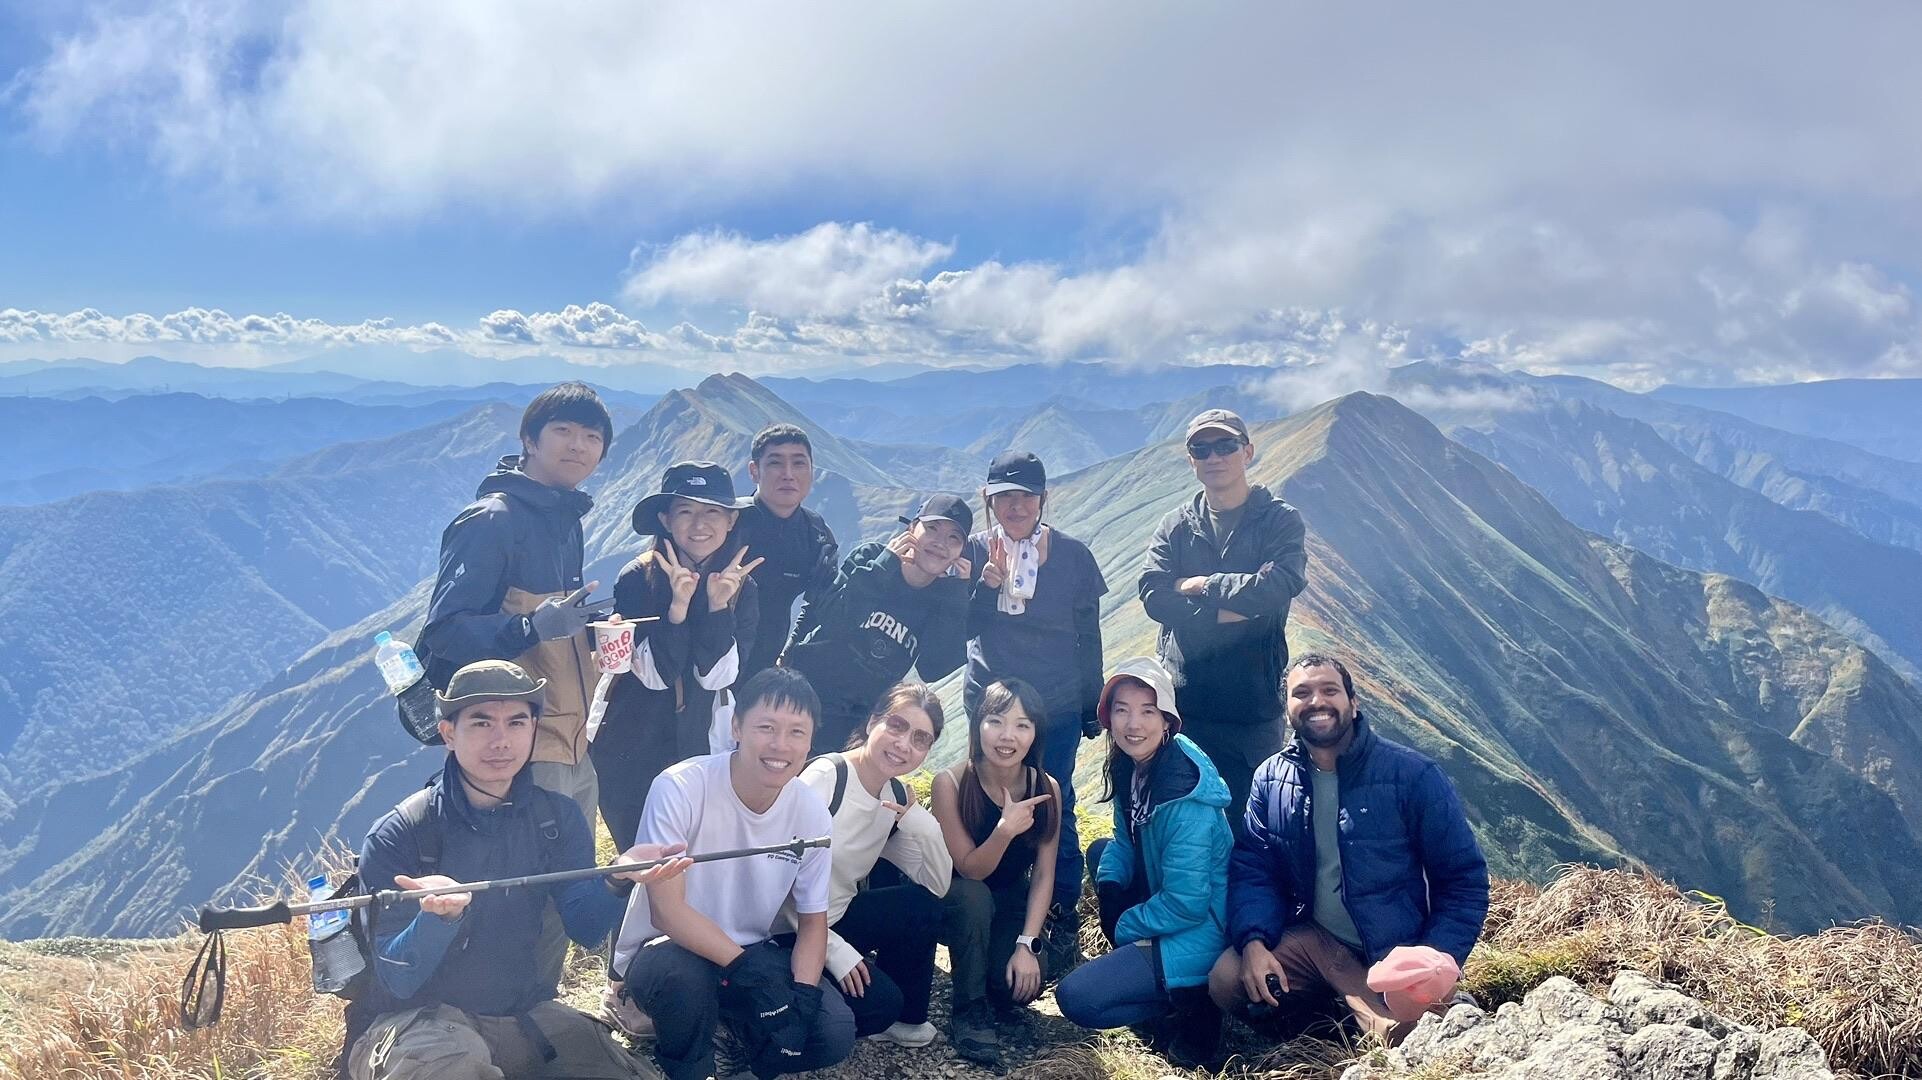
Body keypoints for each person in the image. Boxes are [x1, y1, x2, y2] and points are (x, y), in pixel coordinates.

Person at [347, 660, 693, 1080]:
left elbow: (585, 927)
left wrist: (618, 877)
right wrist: (437, 919)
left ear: (534, 730)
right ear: (448, 733)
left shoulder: (556, 818)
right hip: (413, 1024)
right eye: (481, 723)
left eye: (516, 722)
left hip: (517, 1016)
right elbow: (396, 979)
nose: (501, 740)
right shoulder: (402, 832)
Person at [419, 381, 616, 990]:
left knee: (563, 891)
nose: (578, 446)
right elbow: (443, 634)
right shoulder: (492, 521)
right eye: (563, 431)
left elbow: (548, 633)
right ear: (529, 439)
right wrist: (531, 626)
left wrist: (588, 634)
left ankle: (538, 1007)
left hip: (573, 741)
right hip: (523, 749)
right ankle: (502, 1013)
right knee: (522, 897)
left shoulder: (564, 519)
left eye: (592, 437)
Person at [1209, 655, 1489, 1045]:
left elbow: (1463, 880)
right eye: (1301, 693)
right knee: (1227, 978)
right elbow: (1256, 869)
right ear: (1287, 709)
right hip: (1315, 940)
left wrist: (1436, 956)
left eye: (1330, 690)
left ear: (1353, 703)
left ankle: (1415, 1008)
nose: (1316, 701)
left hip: (1397, 950)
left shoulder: (1412, 775)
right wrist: (1253, 941)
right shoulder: (1271, 779)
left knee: (1407, 1040)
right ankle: (1332, 1025)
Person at [612, 667, 856, 1080]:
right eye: (766, 727)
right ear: (736, 726)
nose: (780, 745)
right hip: (668, 949)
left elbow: (814, 921)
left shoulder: (811, 812)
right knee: (682, 980)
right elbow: (666, 913)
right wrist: (749, 972)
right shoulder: (681, 787)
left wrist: (802, 998)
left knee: (831, 1031)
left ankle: (733, 1047)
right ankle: (687, 1067)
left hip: (750, 950)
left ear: (811, 741)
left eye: (796, 732)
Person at [961, 450, 1107, 973]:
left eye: (1026, 495)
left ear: (1044, 498)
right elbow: (959, 628)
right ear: (989, 499)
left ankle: (1059, 919)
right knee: (983, 797)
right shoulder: (973, 552)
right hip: (991, 704)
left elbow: (1088, 634)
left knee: (1053, 804)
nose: (1016, 506)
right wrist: (986, 587)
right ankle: (985, 906)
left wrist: (1092, 705)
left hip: (1056, 706)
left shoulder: (1073, 556)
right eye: (1005, 496)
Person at [1137, 408, 1308, 839]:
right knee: (1185, 831)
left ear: (1247, 452)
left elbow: (1280, 586)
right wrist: (1233, 607)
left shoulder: (1279, 520)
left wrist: (1200, 585)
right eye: (1201, 449)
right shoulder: (1176, 526)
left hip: (1252, 713)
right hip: (1185, 711)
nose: (1214, 457)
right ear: (1190, 460)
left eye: (1225, 445)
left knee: (1254, 833)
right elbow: (1155, 596)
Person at [1056, 656, 1231, 1068]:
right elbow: (1123, 839)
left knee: (1077, 998)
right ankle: (1153, 981)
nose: (1133, 724)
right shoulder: (1135, 765)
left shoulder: (1184, 799)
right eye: (1122, 710)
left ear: (1167, 720)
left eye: (1148, 711)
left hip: (1204, 925)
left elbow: (1187, 903)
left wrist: (1123, 924)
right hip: (1168, 895)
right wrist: (1111, 891)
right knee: (1101, 853)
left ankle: (1192, 1002)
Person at [591, 461, 763, 854]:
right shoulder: (638, 578)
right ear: (666, 520)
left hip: (701, 741)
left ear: (731, 520)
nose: (699, 524)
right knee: (640, 855)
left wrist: (718, 608)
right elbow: (656, 675)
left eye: (712, 511)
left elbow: (718, 677)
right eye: (686, 511)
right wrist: (678, 609)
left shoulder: (742, 587)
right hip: (631, 742)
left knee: (695, 853)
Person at [778, 683, 952, 1048]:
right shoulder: (828, 778)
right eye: (896, 725)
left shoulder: (895, 797)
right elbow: (778, 875)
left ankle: (903, 1020)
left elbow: (936, 886)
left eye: (920, 738)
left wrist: (924, 825)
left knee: (919, 906)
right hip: (785, 931)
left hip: (836, 919)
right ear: (873, 721)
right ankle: (763, 1017)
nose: (903, 744)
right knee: (878, 1005)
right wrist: (834, 951)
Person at [930, 677, 1060, 1067]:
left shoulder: (1046, 788)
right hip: (956, 900)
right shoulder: (950, 784)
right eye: (996, 722)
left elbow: (1044, 874)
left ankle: (989, 981)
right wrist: (1004, 830)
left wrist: (1027, 944)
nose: (1007, 736)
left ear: (1035, 733)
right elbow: (970, 870)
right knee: (974, 895)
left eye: (1022, 725)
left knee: (1019, 986)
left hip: (1008, 903)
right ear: (978, 725)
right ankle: (968, 1008)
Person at [781, 494, 972, 754]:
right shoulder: (871, 557)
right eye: (932, 528)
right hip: (803, 696)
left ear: (961, 551)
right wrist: (885, 565)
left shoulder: (944, 599)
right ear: (911, 528)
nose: (941, 543)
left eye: (954, 538)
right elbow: (835, 619)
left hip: (856, 726)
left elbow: (934, 668)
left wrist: (957, 595)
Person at [732, 424, 839, 680]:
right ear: (754, 471)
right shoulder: (729, 523)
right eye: (775, 463)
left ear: (812, 472)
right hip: (706, 660)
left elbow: (819, 604)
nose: (788, 474)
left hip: (764, 670)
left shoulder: (816, 535)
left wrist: (790, 652)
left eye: (799, 463)